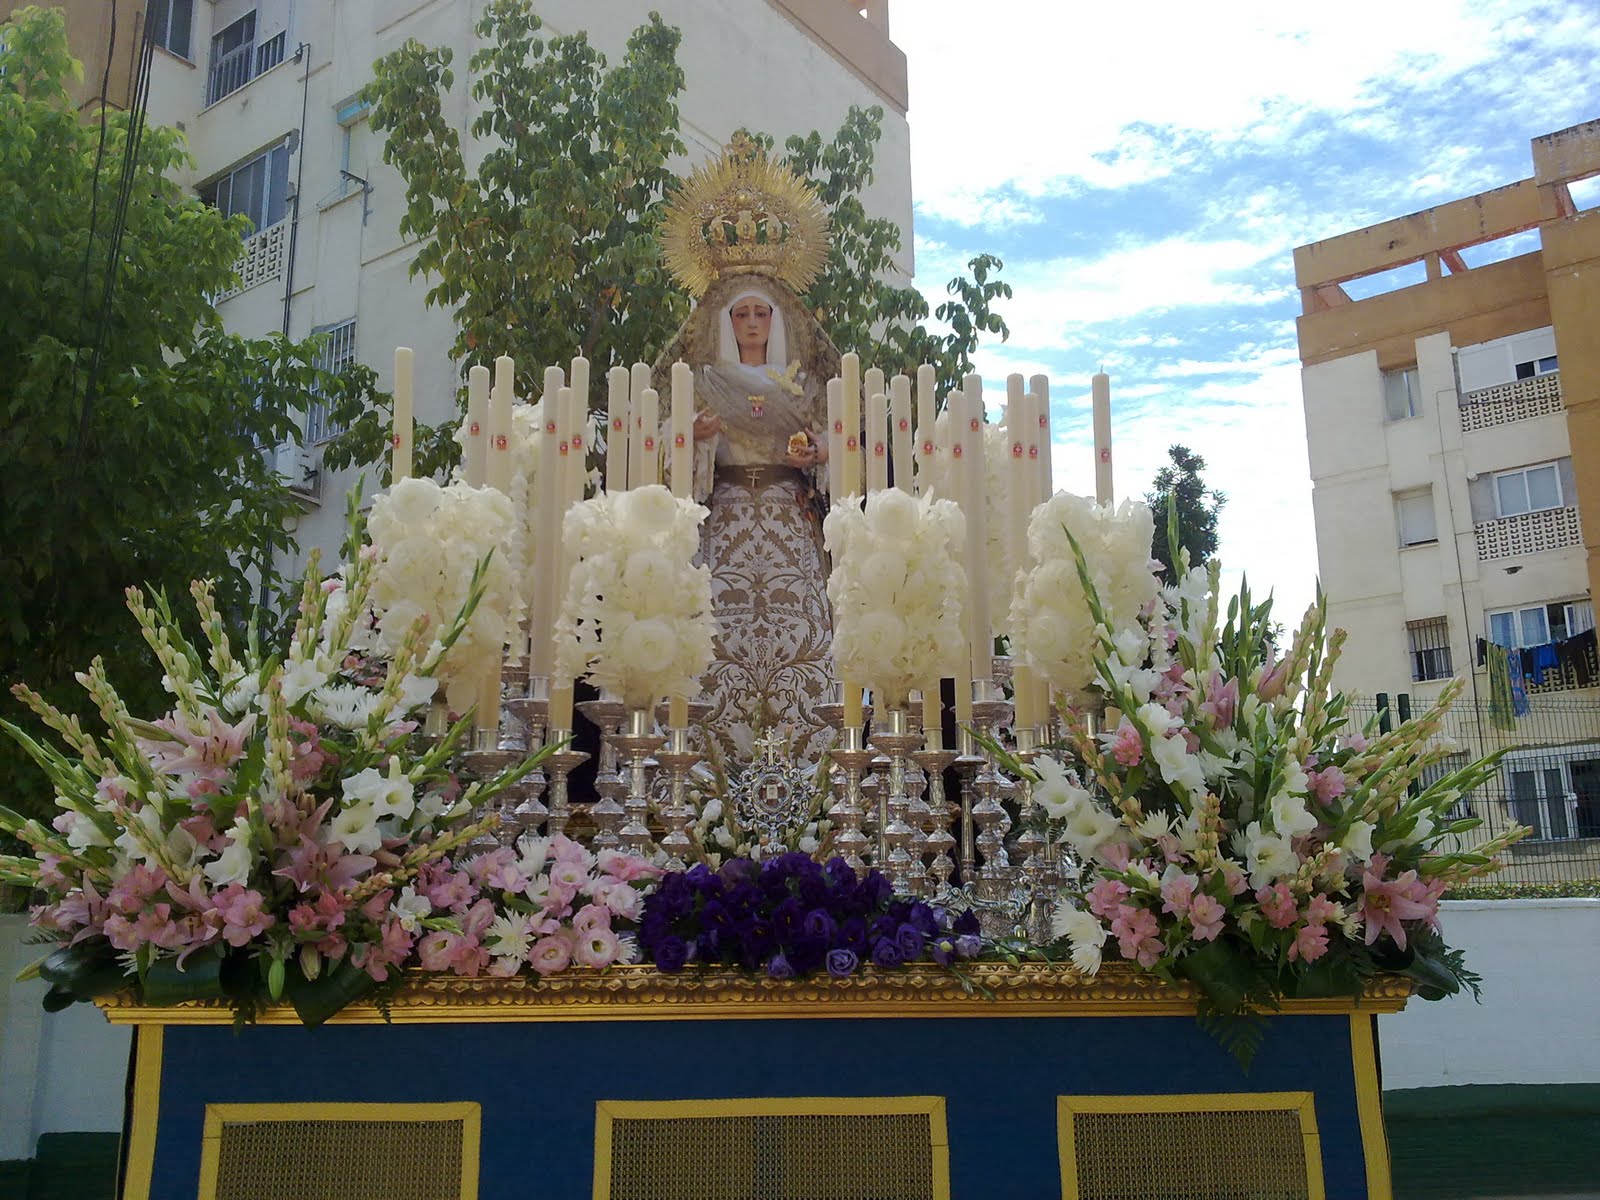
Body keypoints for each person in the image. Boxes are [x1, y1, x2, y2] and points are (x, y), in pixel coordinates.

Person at [654, 272, 839, 765]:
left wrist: (819, 452)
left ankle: (809, 758)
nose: (752, 323)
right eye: (742, 314)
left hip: (787, 518)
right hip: (727, 517)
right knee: (716, 630)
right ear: (727, 322)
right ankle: (709, 765)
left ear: (775, 322)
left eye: (761, 313)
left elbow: (838, 441)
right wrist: (694, 434)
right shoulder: (704, 382)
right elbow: (664, 444)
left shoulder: (805, 386)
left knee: (797, 630)